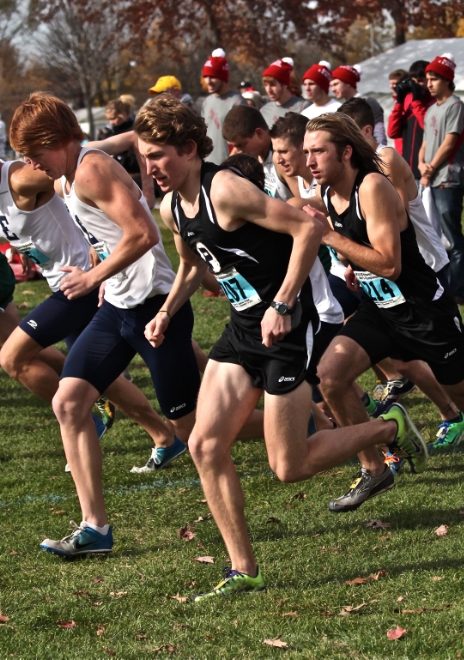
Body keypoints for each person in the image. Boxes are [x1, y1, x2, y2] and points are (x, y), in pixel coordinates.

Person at [132, 96, 420, 601]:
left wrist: (283, 302)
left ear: (188, 148)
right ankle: (244, 569)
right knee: (203, 444)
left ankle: (388, 426)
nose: (150, 166)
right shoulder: (172, 205)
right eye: (144, 156)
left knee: (288, 467)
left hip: (287, 329)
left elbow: (307, 227)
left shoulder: (225, 188)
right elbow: (194, 263)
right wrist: (165, 311)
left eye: (158, 155)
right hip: (243, 330)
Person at [300, 113, 464, 509]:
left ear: (346, 152)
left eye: (318, 152)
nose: (309, 161)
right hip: (381, 308)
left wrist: (328, 236)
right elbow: (363, 249)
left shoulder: (373, 186)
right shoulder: (330, 194)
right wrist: (350, 264)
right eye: (306, 152)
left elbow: (389, 264)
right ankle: (375, 470)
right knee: (330, 376)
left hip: (422, 310)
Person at [9, 93, 196, 557]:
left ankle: (306, 422)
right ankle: (95, 529)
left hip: (153, 305)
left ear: (57, 140)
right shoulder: (69, 176)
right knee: (69, 403)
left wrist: (93, 274)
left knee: (194, 429)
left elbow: (144, 234)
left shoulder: (89, 167)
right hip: (117, 306)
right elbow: (107, 230)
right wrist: (97, 261)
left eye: (36, 154)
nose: (32, 165)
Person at [338, 98, 464, 449]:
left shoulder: (383, 161)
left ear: (361, 133)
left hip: (421, 262)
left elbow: (391, 220)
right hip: (397, 270)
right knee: (429, 351)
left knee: (439, 349)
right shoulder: (356, 175)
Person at [0, 156, 184, 475]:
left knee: (12, 358)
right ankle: (165, 437)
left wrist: (96, 243)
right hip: (67, 284)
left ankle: (87, 421)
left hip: (84, 282)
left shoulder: (20, 179)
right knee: (105, 377)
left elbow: (73, 181)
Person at [419, 54, 464, 304]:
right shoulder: (431, 109)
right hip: (430, 178)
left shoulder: (455, 106)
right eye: (428, 79)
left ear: (447, 80)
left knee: (451, 236)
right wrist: (421, 164)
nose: (429, 84)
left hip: (447, 179)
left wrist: (431, 167)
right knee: (434, 235)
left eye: (434, 79)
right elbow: (426, 142)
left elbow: (449, 142)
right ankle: (442, 284)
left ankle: (460, 289)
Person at [388, 60, 432, 179]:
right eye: (414, 82)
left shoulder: (432, 102)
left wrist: (417, 101)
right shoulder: (408, 100)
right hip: (407, 167)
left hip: (426, 168)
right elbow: (392, 132)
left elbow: (428, 128)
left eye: (420, 81)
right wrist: (399, 101)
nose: (417, 85)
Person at [200, 49, 243, 165]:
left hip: (228, 167)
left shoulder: (237, 102)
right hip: (207, 165)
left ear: (223, 78)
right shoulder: (207, 101)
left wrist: (228, 164)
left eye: (213, 77)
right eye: (206, 76)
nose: (208, 81)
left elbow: (242, 140)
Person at [329, 64, 386, 145]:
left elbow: (379, 133)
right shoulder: (342, 106)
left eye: (336, 84)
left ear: (348, 83)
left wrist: (379, 154)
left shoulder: (369, 102)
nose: (333, 89)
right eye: (331, 86)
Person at [261, 57, 308, 127]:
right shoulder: (264, 110)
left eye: (273, 85)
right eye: (265, 85)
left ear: (285, 84)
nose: (268, 89)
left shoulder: (304, 107)